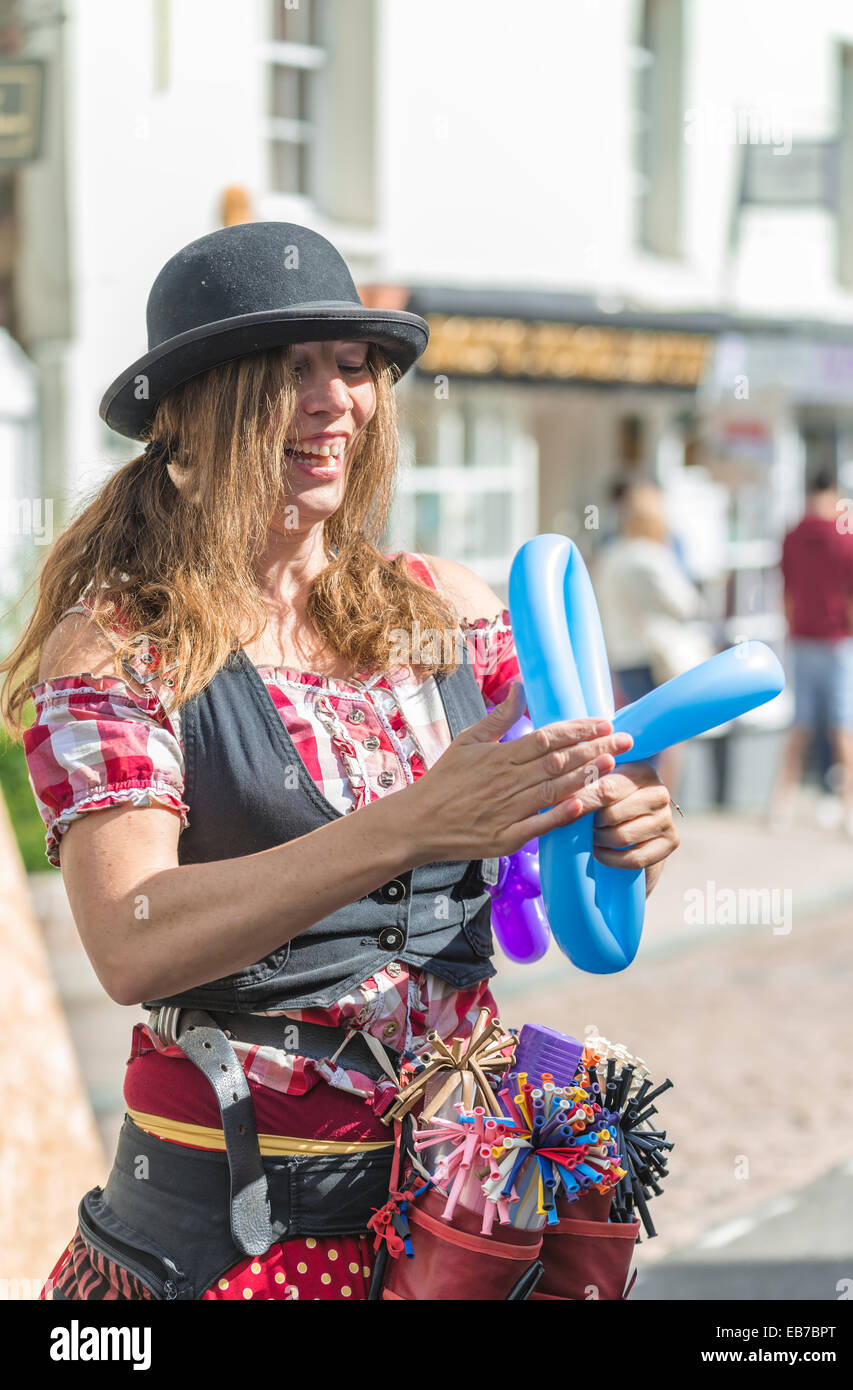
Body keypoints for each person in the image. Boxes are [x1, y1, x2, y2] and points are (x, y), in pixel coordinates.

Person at [0, 221, 680, 1302]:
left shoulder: (448, 607)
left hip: (460, 1215)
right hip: (240, 1236)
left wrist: (622, 830)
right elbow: (131, 942)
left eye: (351, 366)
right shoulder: (125, 641)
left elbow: (566, 836)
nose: (333, 401)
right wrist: (410, 823)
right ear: (195, 409)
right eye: (288, 370)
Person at [770, 470, 853, 840]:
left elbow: (787, 592)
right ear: (835, 494)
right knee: (848, 726)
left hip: (802, 637)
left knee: (800, 726)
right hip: (841, 639)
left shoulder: (793, 534)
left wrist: (791, 630)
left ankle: (780, 805)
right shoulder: (850, 535)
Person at [592, 482, 713, 796]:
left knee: (633, 736)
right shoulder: (651, 556)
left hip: (622, 654)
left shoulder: (611, 554)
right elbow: (688, 603)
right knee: (666, 738)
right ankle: (657, 801)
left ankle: (628, 799)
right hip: (657, 656)